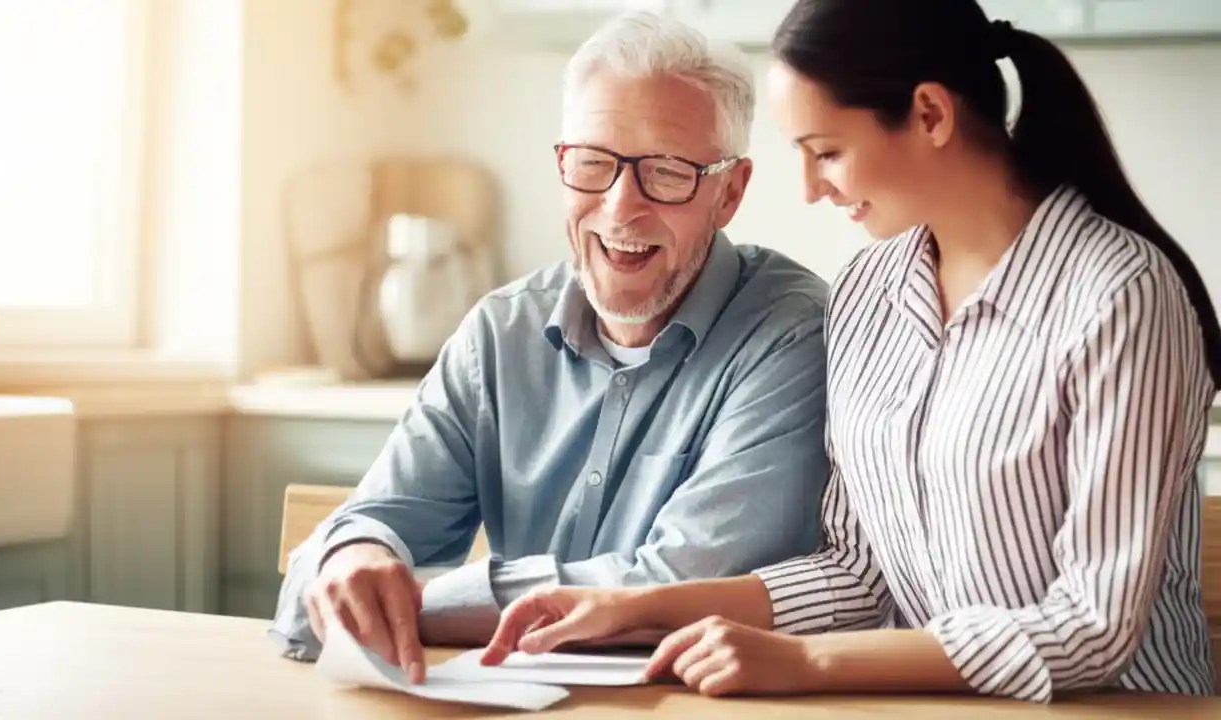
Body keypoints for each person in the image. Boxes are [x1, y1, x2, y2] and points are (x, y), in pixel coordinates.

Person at [480, 0, 1221, 702]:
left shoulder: (1120, 296)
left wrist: (806, 661)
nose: (808, 189)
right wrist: (636, 609)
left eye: (826, 152)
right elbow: (858, 572)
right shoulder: (868, 288)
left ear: (930, 113)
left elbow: (1093, 627)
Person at [268, 12, 832, 684]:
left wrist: (421, 604)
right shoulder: (499, 334)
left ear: (729, 191)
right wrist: (351, 556)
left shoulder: (795, 336)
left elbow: (685, 584)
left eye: (667, 173)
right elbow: (355, 536)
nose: (622, 208)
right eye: (593, 164)